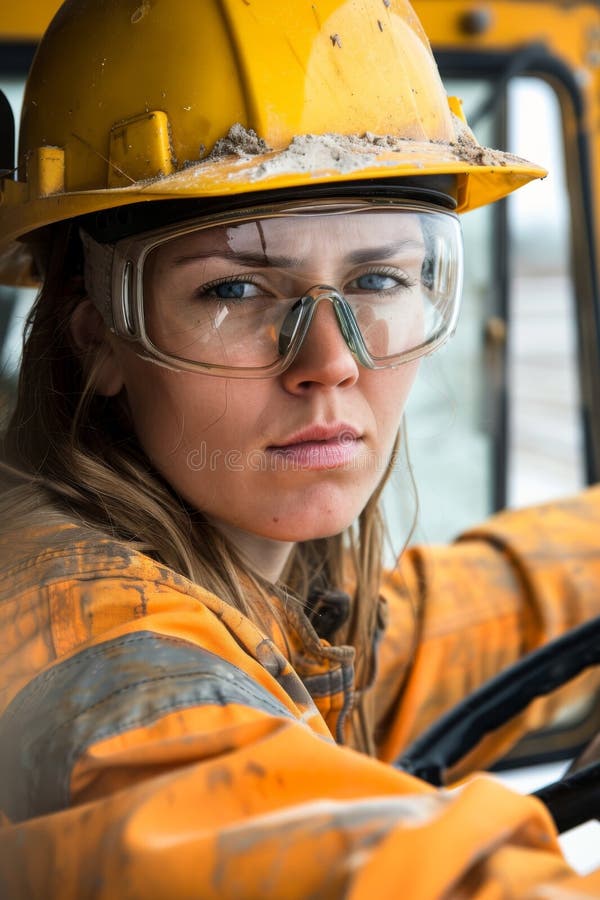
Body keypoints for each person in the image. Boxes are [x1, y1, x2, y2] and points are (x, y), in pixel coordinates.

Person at [0, 0, 599, 896]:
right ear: (98, 337)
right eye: (235, 290)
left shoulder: (263, 593)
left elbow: (467, 618)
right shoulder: (79, 636)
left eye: (379, 279)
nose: (330, 362)